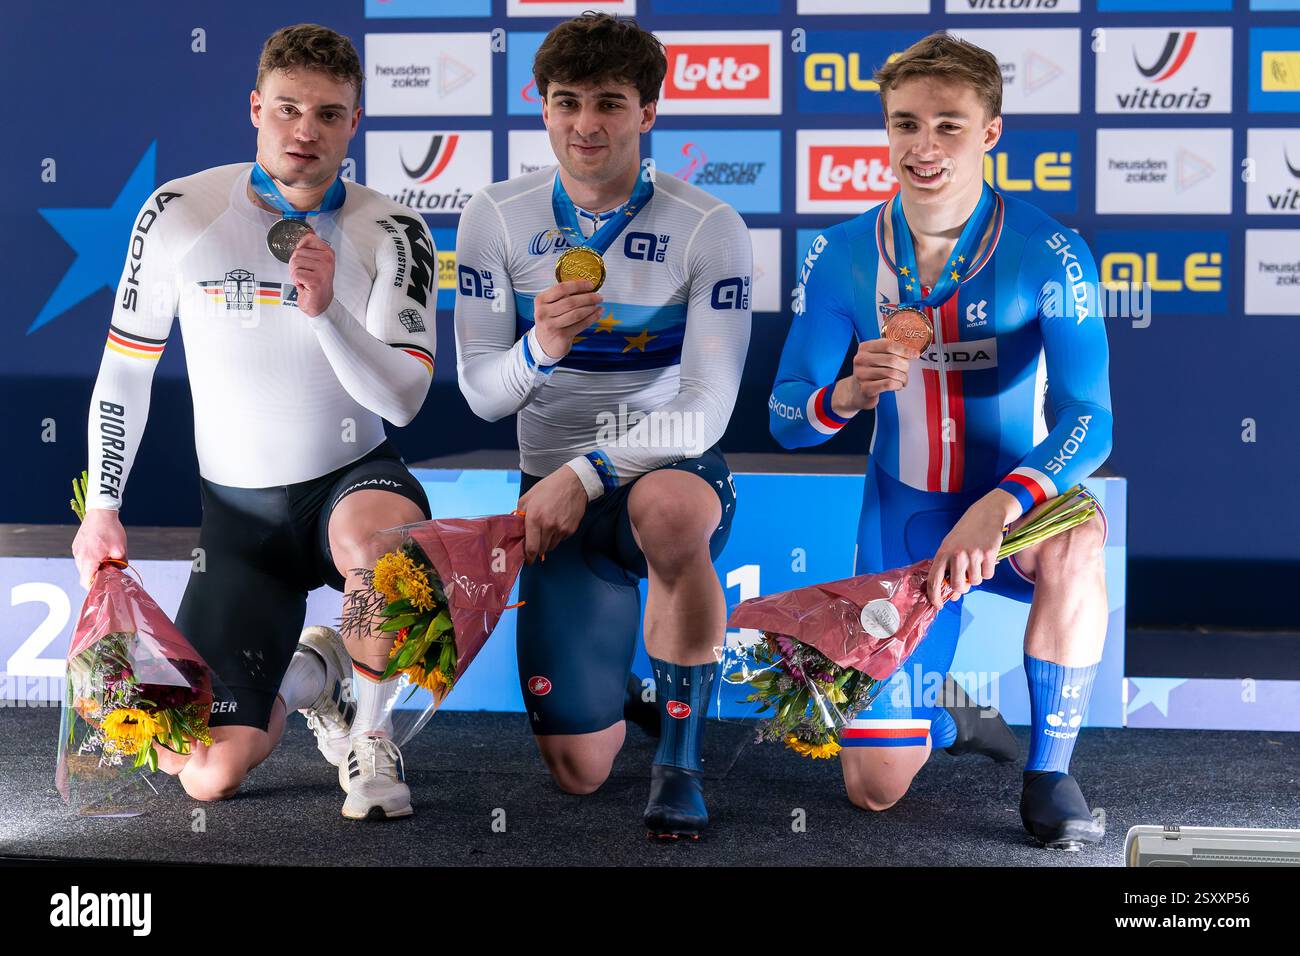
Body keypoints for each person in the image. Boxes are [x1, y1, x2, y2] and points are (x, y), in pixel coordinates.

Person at [71, 23, 439, 821]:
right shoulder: (179, 211)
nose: (306, 130)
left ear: (355, 122)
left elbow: (404, 400)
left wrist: (327, 310)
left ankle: (372, 742)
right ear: (255, 108)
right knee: (204, 771)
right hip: (239, 519)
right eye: (288, 108)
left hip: (354, 481)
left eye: (330, 114)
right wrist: (102, 506)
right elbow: (125, 373)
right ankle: (318, 676)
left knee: (377, 554)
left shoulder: (394, 229)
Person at [770, 32, 1113, 850]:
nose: (923, 148)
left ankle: (1050, 775)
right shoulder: (845, 254)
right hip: (908, 514)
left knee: (1079, 541)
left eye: (949, 126)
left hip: (1015, 506)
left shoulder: (1050, 252)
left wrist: (1000, 506)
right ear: (886, 129)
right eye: (905, 124)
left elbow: (1090, 418)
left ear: (990, 133)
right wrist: (847, 393)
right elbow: (787, 420)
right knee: (874, 790)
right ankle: (952, 713)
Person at [454, 13, 752, 839]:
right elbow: (483, 396)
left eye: (611, 103)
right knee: (578, 772)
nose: (587, 124)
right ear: (541, 108)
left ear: (648, 113)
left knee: (666, 512)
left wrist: (585, 473)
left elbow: (707, 409)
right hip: (554, 499)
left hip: (667, 476)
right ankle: (634, 682)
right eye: (568, 102)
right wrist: (542, 345)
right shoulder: (496, 215)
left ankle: (680, 762)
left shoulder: (708, 225)